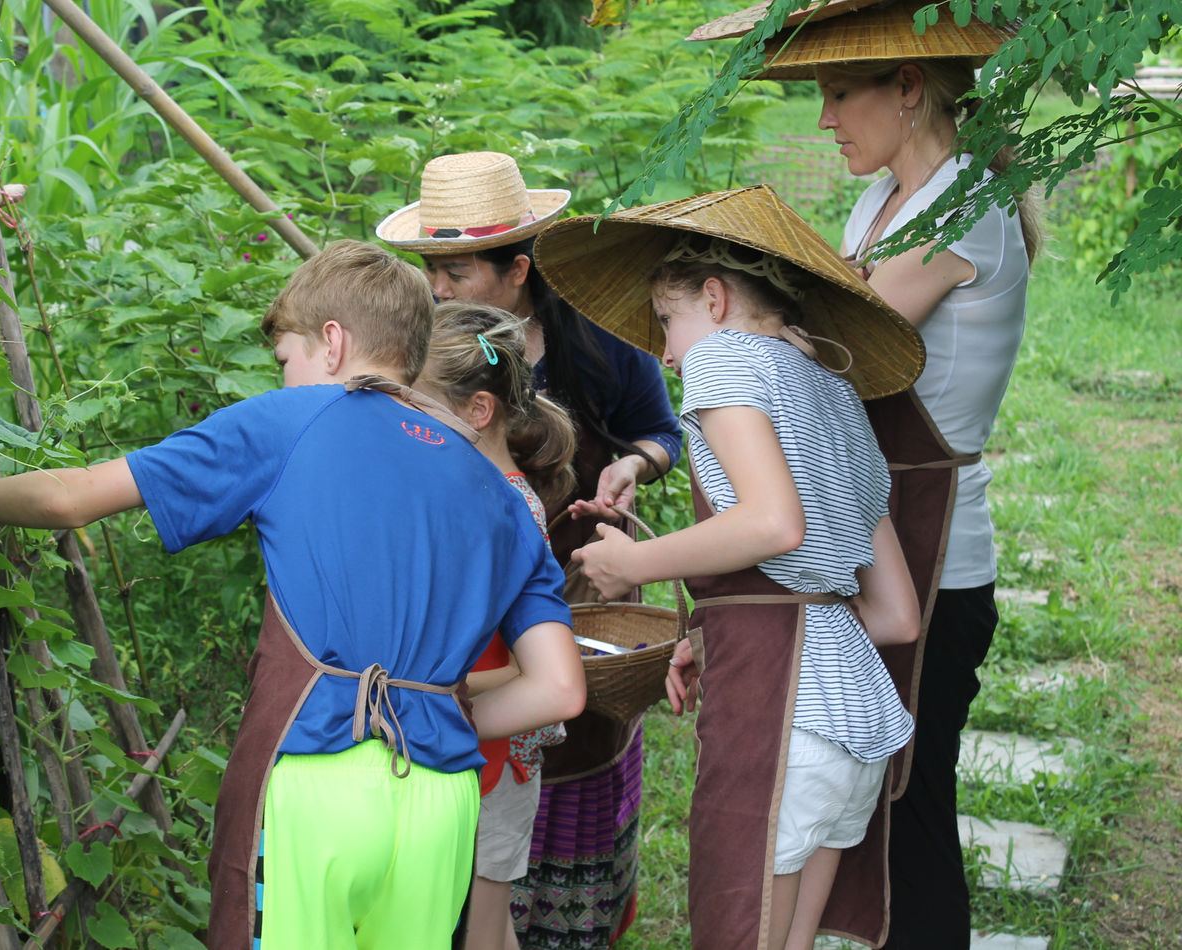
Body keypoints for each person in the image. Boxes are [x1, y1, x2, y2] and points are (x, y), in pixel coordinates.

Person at [0, 240, 586, 950]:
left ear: (331, 343)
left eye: (284, 360)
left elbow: (68, 497)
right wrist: (427, 708)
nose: (285, 377)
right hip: (440, 804)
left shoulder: (294, 421)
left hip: (317, 786)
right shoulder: (501, 495)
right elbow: (561, 688)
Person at [688, 2, 1040, 944]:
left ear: (909, 88)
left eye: (840, 94)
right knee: (863, 802)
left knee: (912, 809)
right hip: (876, 523)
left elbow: (834, 346)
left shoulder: (963, 212)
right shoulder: (883, 203)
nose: (825, 119)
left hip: (935, 544)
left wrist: (727, 324)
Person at [533, 184, 927, 950]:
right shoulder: (839, 396)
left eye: (668, 324)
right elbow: (895, 616)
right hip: (856, 722)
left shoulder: (725, 357)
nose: (669, 354)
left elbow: (773, 523)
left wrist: (635, 561)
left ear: (713, 299)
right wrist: (723, 632)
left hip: (789, 720)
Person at [378, 151, 683, 946]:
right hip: (473, 632)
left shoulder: (602, 340)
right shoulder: (433, 352)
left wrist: (631, 463)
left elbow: (662, 432)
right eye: (431, 269)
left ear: (518, 268)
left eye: (455, 271)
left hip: (578, 594)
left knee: (564, 745)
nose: (438, 288)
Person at [416, 301, 576, 950]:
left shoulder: (509, 512)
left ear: (476, 412)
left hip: (497, 754)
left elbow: (525, 668)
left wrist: (433, 698)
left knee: (481, 927)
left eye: (417, 412)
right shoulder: (471, 497)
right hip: (469, 742)